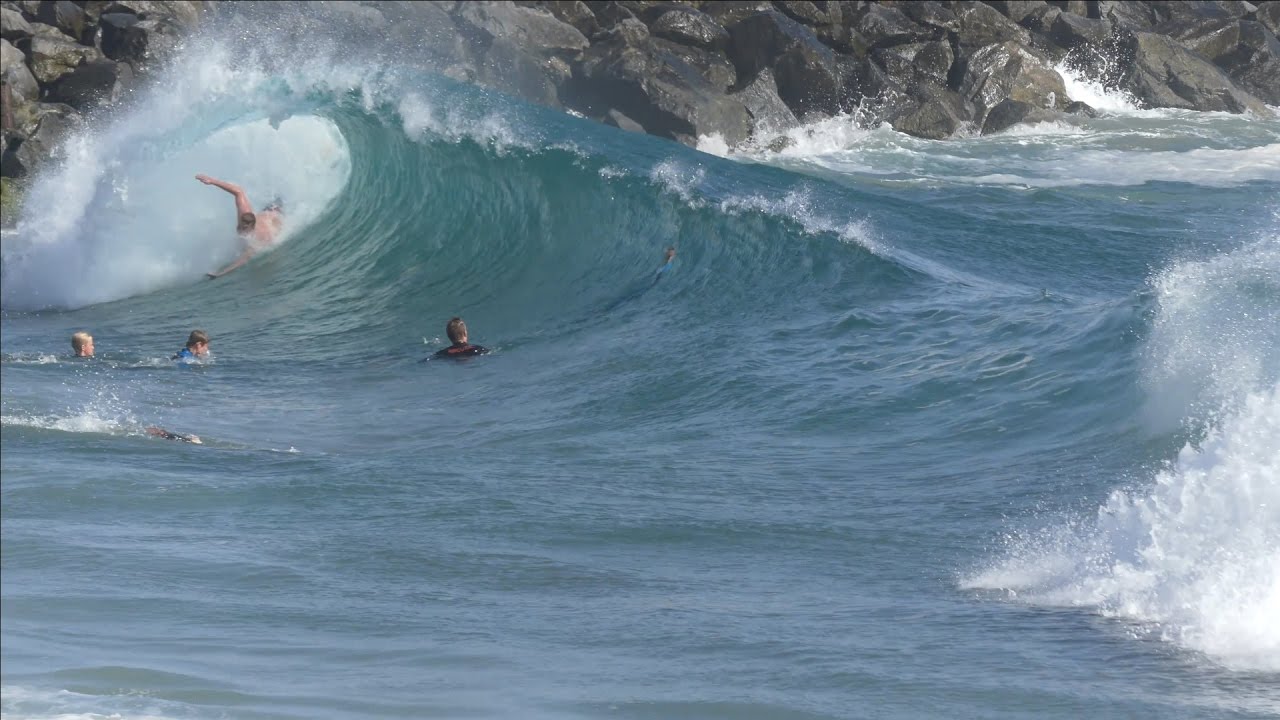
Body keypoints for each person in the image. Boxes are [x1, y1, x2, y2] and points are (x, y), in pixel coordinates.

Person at [196, 173, 284, 279]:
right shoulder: (244, 214)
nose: (241, 226)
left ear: (251, 226)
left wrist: (220, 274)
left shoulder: (258, 238)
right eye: (241, 224)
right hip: (268, 210)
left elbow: (241, 261)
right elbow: (238, 191)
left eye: (244, 227)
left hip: (276, 214)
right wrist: (213, 181)